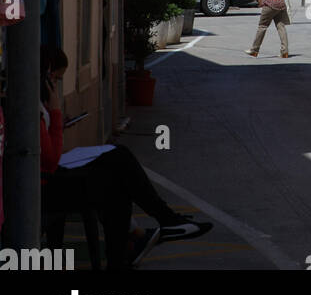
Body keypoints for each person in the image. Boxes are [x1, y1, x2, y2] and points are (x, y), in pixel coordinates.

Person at [40, 48, 211, 269]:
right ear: (45, 76)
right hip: (45, 187)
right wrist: (55, 115)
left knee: (117, 176)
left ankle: (139, 242)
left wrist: (55, 123)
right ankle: (163, 221)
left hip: (50, 179)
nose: (55, 86)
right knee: (119, 163)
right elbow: (50, 161)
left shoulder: (38, 106)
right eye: (54, 79)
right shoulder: (33, 109)